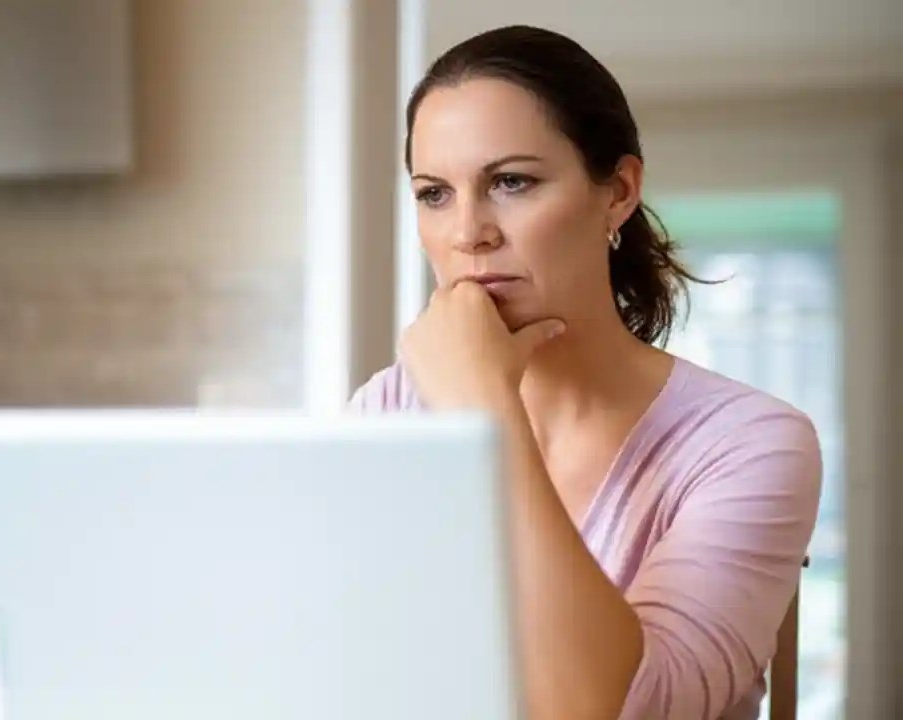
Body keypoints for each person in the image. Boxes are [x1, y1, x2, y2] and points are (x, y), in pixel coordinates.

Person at [348, 25, 821, 720]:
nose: (467, 232)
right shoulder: (386, 412)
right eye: (434, 193)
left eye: (511, 182)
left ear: (619, 192)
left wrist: (483, 413)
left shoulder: (750, 442)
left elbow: (634, 709)